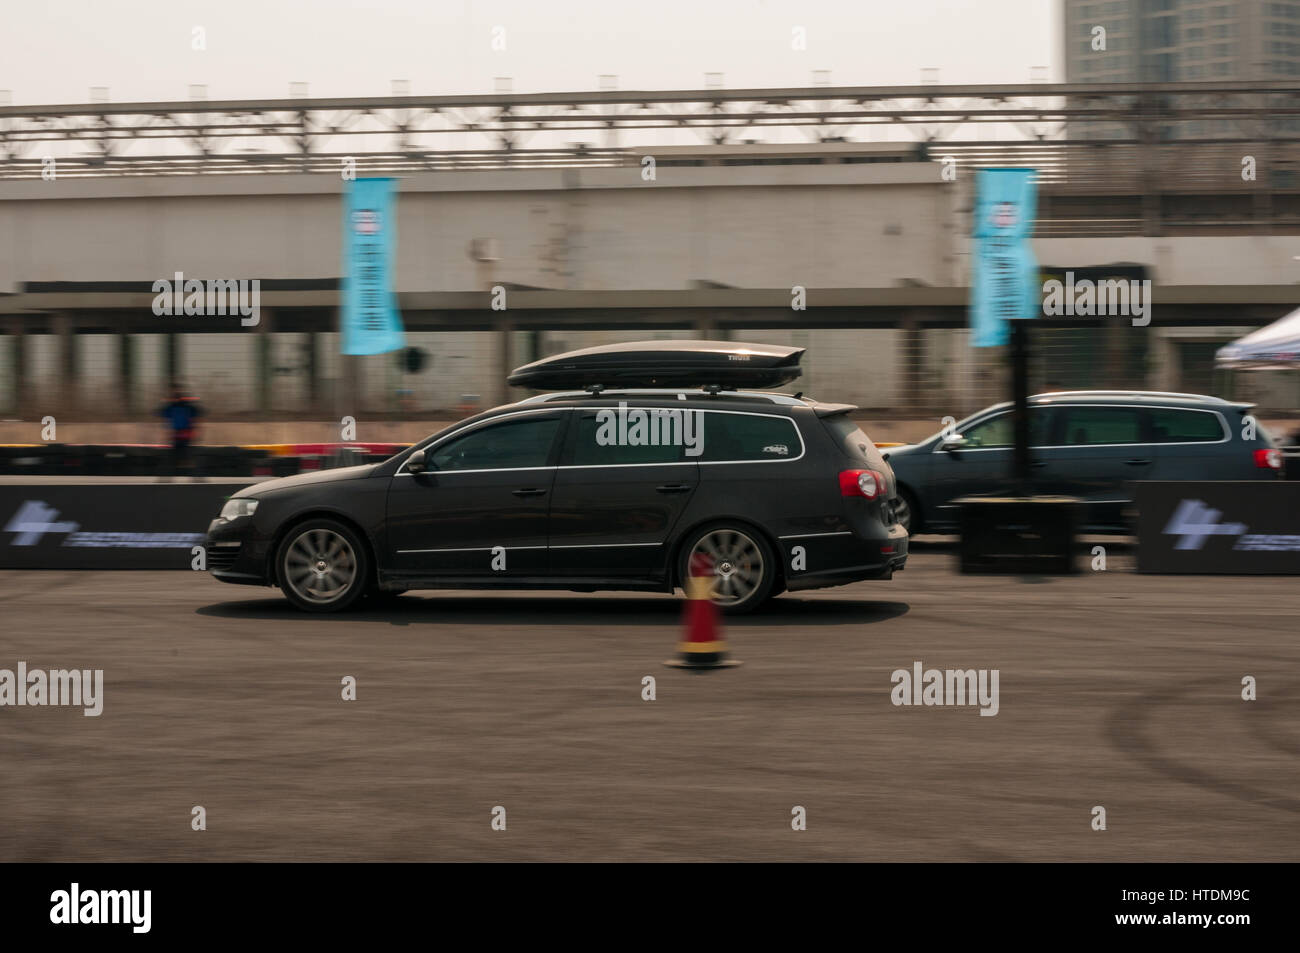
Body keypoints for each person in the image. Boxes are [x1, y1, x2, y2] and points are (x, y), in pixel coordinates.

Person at [157, 384, 204, 481]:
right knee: (178, 456)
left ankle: (197, 476)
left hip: (183, 435)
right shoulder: (174, 406)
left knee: (183, 456)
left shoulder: (182, 406)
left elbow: (198, 412)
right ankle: (196, 476)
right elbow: (162, 413)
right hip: (179, 435)